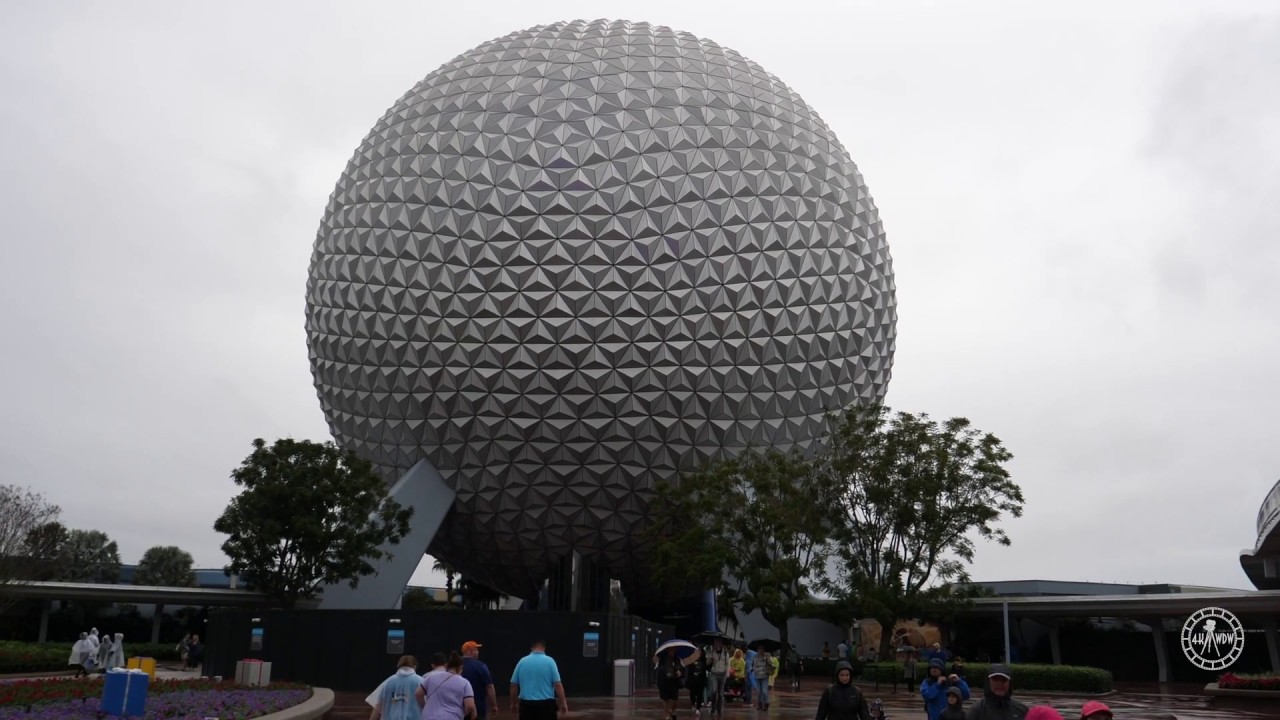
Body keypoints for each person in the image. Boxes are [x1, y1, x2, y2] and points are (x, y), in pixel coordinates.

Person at [509, 641, 567, 720]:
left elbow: (513, 684)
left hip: (526, 706)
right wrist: (563, 703)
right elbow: (557, 684)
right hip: (546, 706)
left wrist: (514, 703)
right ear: (544, 648)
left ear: (531, 648)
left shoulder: (522, 661)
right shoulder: (550, 661)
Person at [419, 652, 476, 720]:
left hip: (429, 716)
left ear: (447, 666)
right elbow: (470, 706)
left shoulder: (432, 677)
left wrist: (424, 707)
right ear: (461, 667)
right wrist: (462, 714)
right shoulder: (465, 683)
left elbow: (418, 693)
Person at [369, 655, 422, 720]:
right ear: (415, 666)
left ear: (399, 665)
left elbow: (378, 706)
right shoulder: (421, 681)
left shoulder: (388, 682)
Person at [657, 644, 701, 720]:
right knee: (665, 698)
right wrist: (666, 672)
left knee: (675, 699)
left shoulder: (677, 659)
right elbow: (660, 669)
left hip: (674, 681)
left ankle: (672, 710)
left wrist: (680, 672)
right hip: (665, 681)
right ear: (668, 649)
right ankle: (666, 714)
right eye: (672, 649)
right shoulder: (662, 659)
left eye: (675, 649)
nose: (673, 651)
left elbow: (682, 669)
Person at [461, 642, 498, 720]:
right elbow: (489, 686)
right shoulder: (481, 666)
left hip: (458, 707)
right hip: (478, 707)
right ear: (471, 652)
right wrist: (493, 705)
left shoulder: (455, 667)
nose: (478, 652)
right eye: (476, 650)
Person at [706, 640, 730, 716]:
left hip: (722, 674)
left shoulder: (725, 653)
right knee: (714, 691)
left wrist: (727, 673)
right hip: (714, 674)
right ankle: (713, 708)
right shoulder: (712, 652)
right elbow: (707, 663)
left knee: (720, 694)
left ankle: (719, 709)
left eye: (719, 643)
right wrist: (710, 658)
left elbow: (727, 664)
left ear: (721, 643)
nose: (717, 644)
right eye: (716, 643)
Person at [686, 650, 709, 717]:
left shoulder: (704, 660)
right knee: (692, 693)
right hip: (693, 680)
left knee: (700, 695)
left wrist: (709, 662)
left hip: (701, 680)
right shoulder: (692, 660)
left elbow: (707, 668)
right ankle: (693, 704)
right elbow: (689, 669)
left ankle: (698, 708)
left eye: (699, 652)